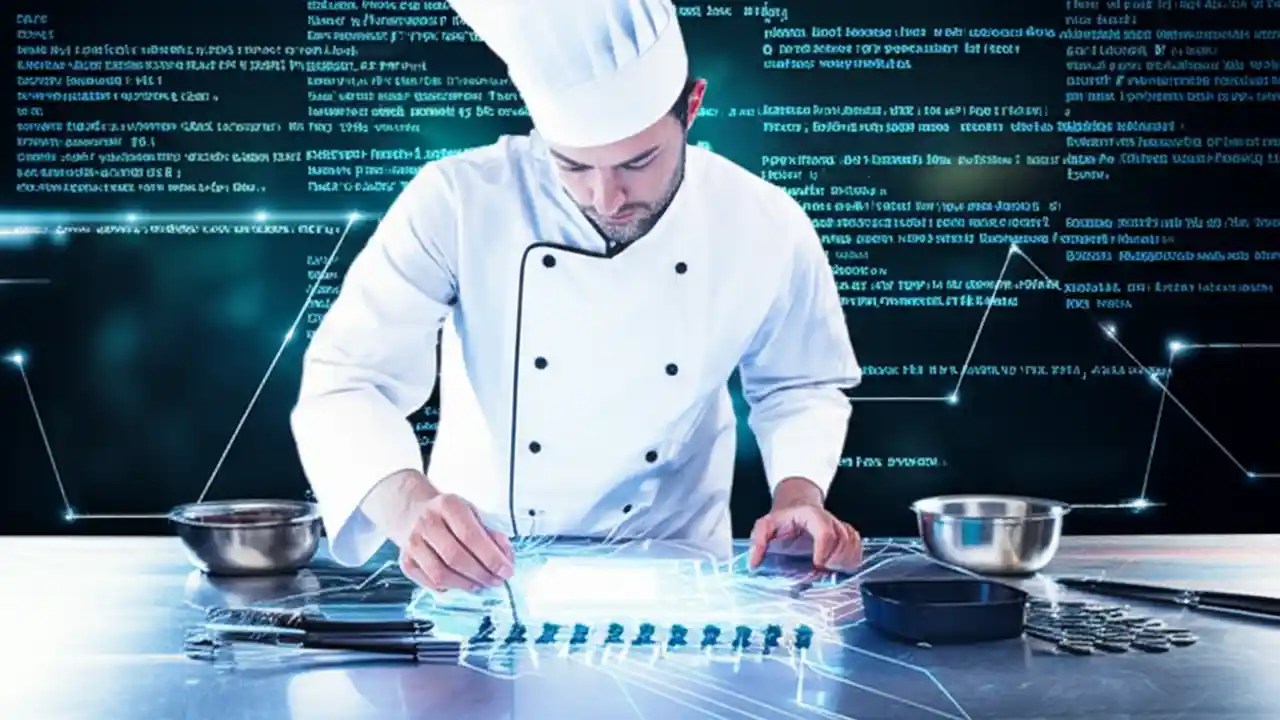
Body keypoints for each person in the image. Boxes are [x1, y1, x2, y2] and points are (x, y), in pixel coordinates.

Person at [290, 0, 864, 593]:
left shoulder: (763, 221)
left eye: (638, 162)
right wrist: (410, 507)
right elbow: (349, 380)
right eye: (572, 166)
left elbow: (801, 381)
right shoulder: (458, 201)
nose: (607, 198)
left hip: (682, 579)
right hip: (483, 575)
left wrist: (798, 494)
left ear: (691, 107)